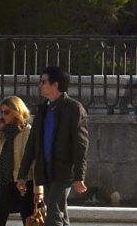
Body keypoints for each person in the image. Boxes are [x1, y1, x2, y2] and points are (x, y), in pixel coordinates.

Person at [16, 67, 88, 226]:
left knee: (53, 217)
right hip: (45, 170)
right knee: (61, 216)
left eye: (43, 81)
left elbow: (80, 144)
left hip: (63, 171)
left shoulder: (73, 108)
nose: (39, 85)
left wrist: (79, 176)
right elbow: (32, 144)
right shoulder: (43, 109)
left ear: (55, 85)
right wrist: (22, 174)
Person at [0, 96, 33, 225]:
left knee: (28, 220)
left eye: (6, 112)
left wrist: (38, 190)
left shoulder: (27, 131)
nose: (3, 116)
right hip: (5, 182)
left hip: (23, 182)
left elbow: (34, 159)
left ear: (17, 111)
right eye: (1, 112)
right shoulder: (3, 132)